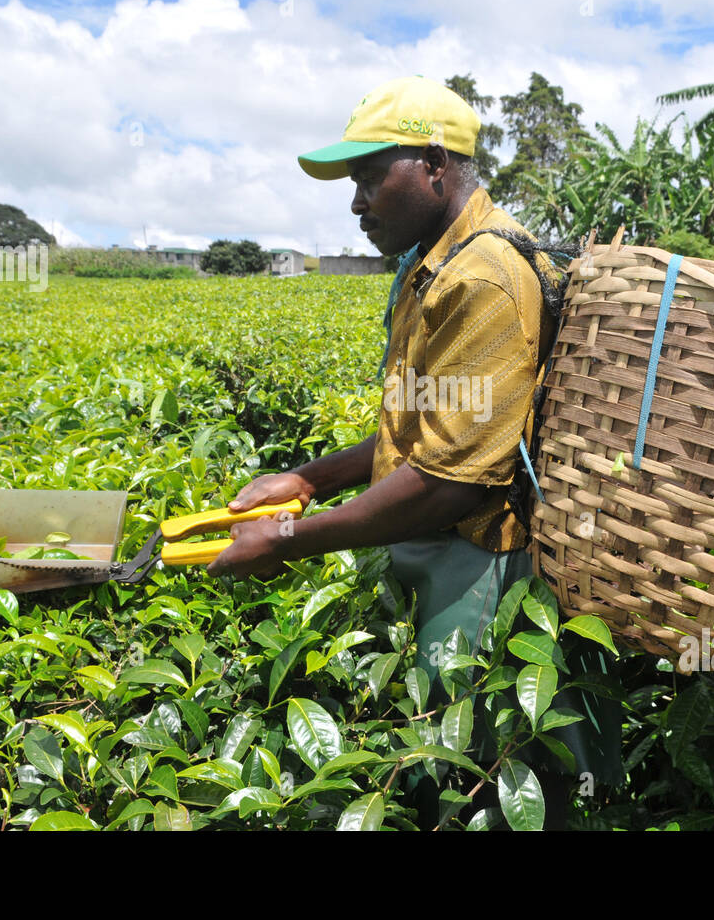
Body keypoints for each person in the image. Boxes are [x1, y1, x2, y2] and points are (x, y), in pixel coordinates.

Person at [207, 75, 622, 827]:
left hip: (485, 571)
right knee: (442, 771)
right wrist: (305, 478)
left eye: (370, 176)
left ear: (434, 165)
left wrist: (291, 539)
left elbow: (447, 485)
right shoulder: (431, 267)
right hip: (436, 559)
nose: (357, 201)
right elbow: (417, 428)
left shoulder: (483, 278)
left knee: (489, 792)